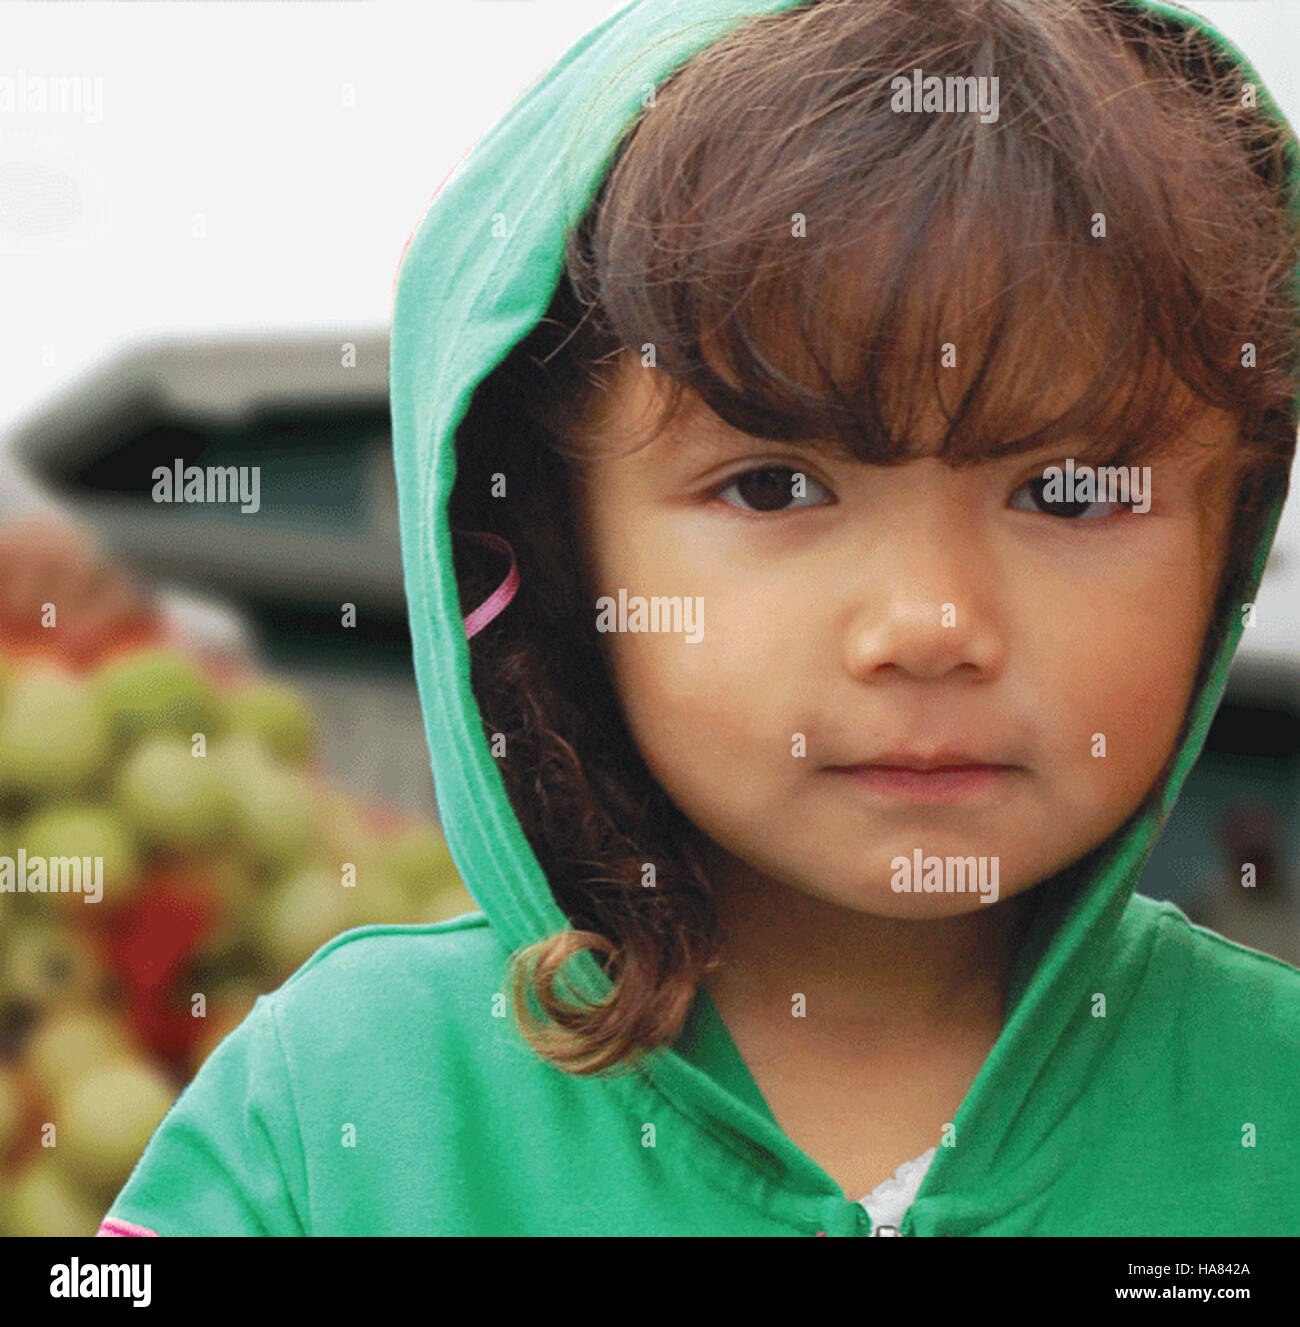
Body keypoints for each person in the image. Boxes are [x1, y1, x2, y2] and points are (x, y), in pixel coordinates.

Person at [97, 0, 1300, 1237]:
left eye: (1066, 492)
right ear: (563, 548)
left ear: (1231, 528)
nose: (932, 624)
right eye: (775, 485)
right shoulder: (338, 1115)